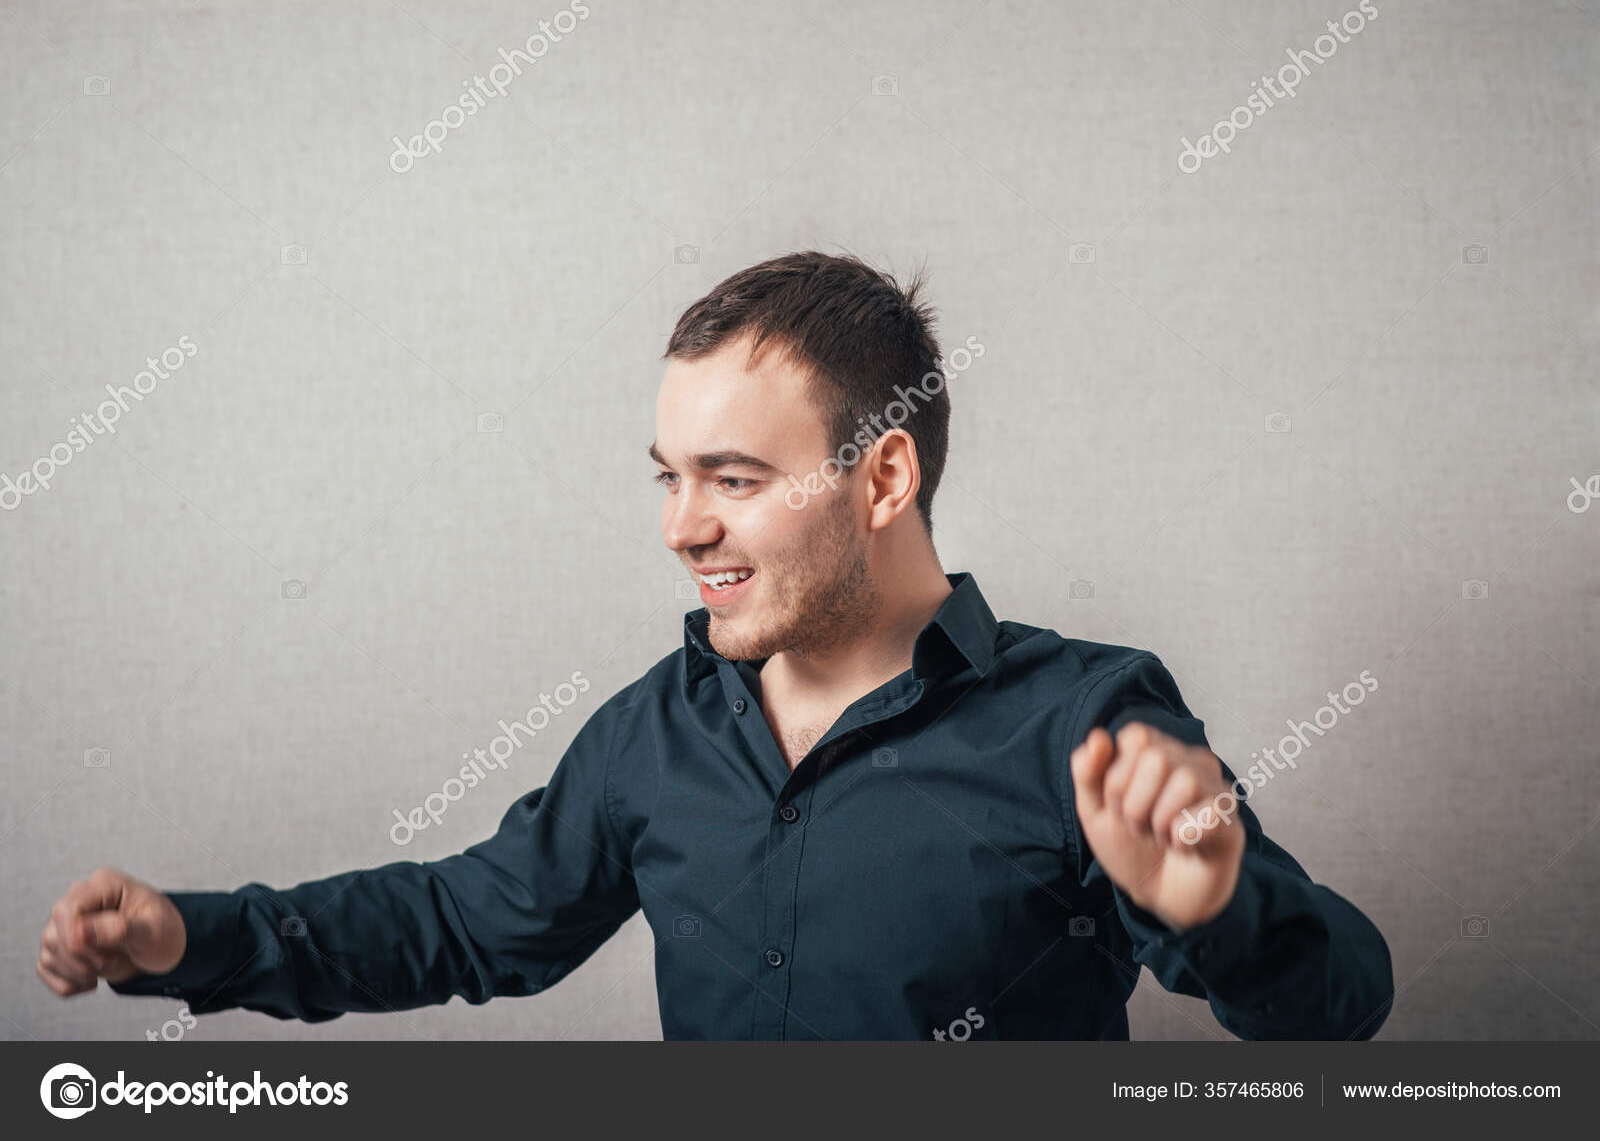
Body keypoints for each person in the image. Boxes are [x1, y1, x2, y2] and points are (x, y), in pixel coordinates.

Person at [37, 251, 1393, 1039]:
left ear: (881, 479)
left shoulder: (1086, 720)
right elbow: (464, 919)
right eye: (668, 476)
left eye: (734, 478)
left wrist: (1218, 907)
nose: (684, 529)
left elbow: (1343, 1006)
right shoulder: (658, 729)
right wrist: (187, 940)